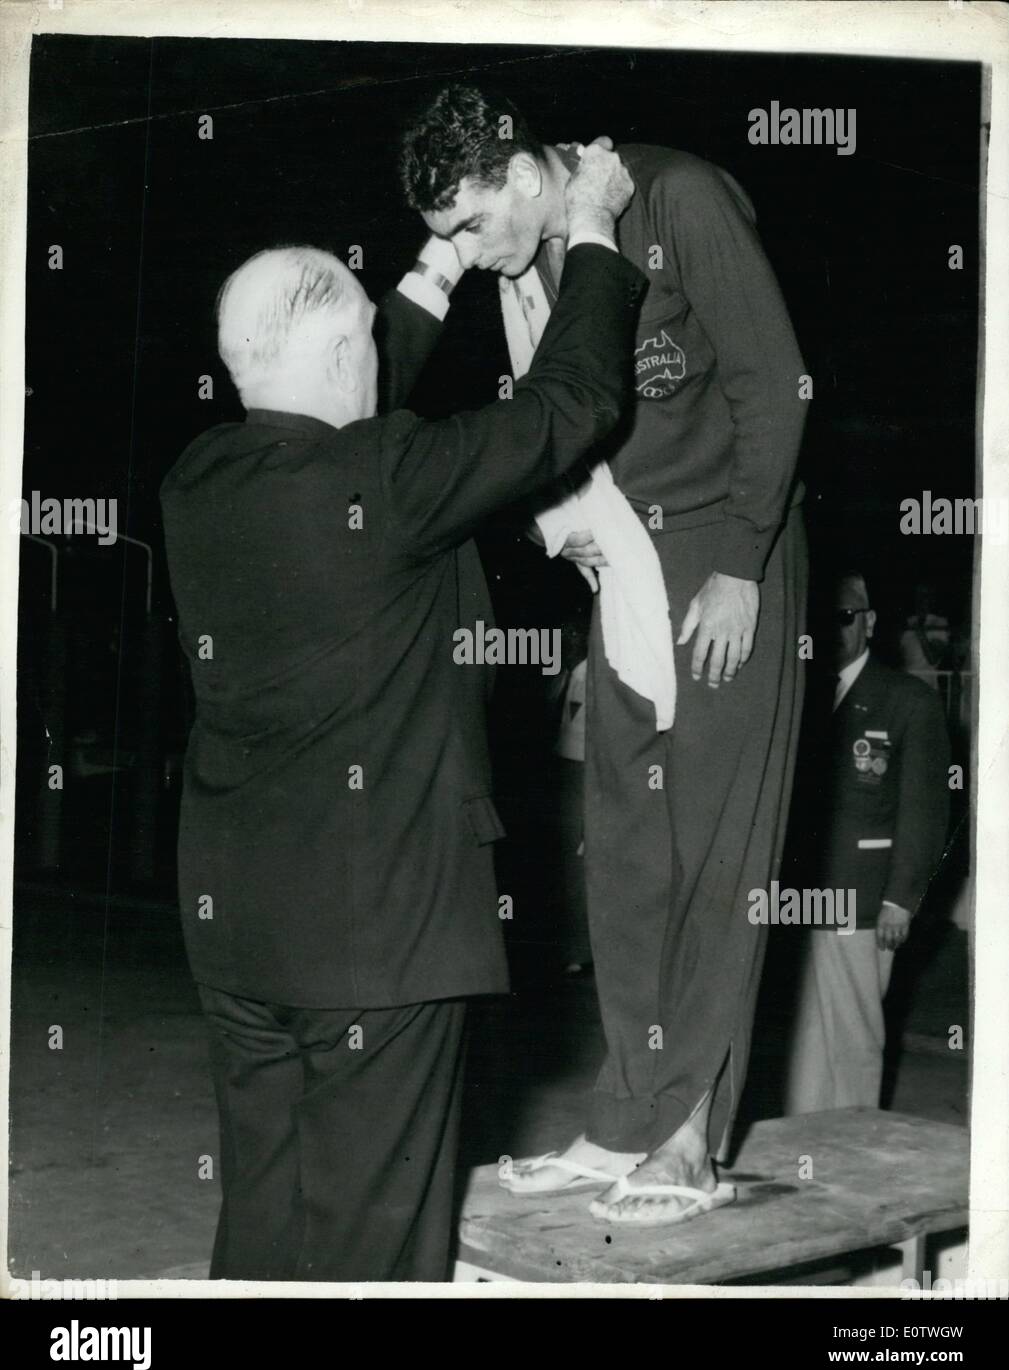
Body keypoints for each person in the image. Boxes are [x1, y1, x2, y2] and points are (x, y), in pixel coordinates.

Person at [159, 143, 646, 1280]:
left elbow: (330, 400)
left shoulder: (197, 483)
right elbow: (575, 402)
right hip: (381, 944)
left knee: (269, 1225)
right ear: (344, 354)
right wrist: (589, 232)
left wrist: (433, 272)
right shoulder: (390, 478)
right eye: (364, 347)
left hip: (241, 937)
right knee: (374, 1255)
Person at [400, 85, 809, 1227]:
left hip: (729, 556)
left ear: (525, 178)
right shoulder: (534, 256)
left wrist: (741, 556)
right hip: (624, 561)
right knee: (627, 851)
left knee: (716, 858)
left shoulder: (675, 196)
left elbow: (772, 380)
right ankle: (625, 1110)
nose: (464, 256)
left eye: (468, 225)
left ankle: (688, 1134)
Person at [784, 571, 951, 1113]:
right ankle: (807, 1130)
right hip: (801, 893)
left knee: (855, 1030)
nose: (835, 629)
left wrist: (902, 898)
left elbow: (925, 811)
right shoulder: (802, 695)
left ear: (870, 623)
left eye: (846, 616)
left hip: (862, 895)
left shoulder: (906, 701)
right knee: (804, 1034)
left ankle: (854, 1131)